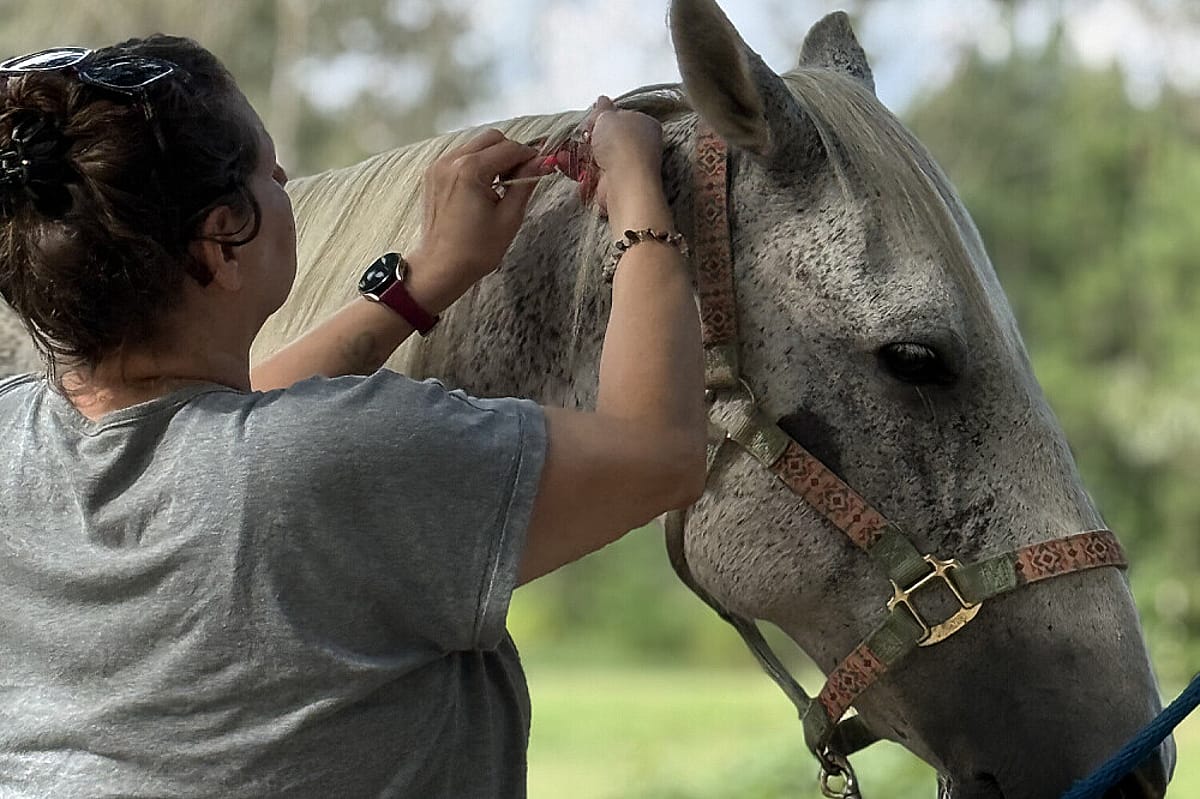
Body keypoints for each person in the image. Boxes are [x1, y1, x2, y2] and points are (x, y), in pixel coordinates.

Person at [0, 35, 705, 798]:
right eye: (269, 173)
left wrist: (426, 280)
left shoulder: (13, 436)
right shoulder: (334, 458)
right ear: (220, 247)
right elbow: (655, 451)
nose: (287, 180)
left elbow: (212, 430)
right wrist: (640, 198)